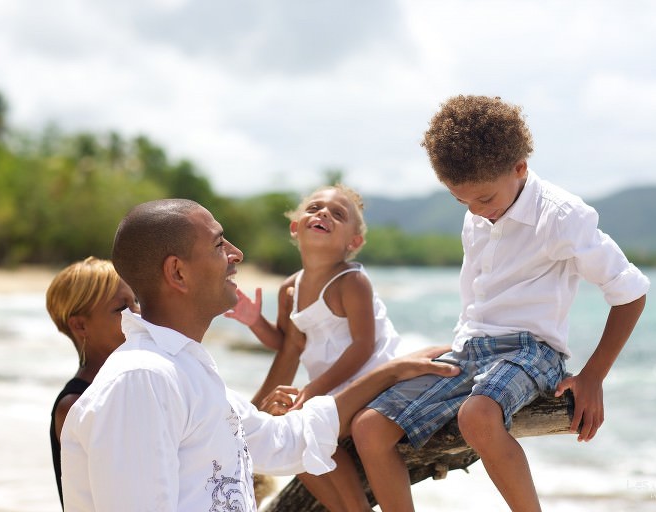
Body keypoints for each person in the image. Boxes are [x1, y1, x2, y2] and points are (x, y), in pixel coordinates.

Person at [59, 198, 458, 511]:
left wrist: (390, 372)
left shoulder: (186, 370)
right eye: (218, 244)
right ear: (177, 273)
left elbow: (285, 439)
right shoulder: (142, 379)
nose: (236, 254)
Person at [351, 95, 650, 511]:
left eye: (485, 199)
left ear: (520, 169)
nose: (476, 210)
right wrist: (460, 345)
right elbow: (478, 292)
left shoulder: (562, 215)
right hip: (471, 350)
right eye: (462, 202)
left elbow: (630, 293)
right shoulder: (478, 211)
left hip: (533, 350)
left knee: (476, 417)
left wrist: (593, 376)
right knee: (368, 428)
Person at [226, 183, 401, 511]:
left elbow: (363, 347)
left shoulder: (351, 282)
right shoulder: (290, 288)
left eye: (338, 214)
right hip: (332, 386)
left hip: (373, 378)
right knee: (290, 430)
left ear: (354, 242)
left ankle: (355, 507)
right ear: (295, 227)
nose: (323, 213)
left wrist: (314, 390)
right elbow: (287, 342)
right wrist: (254, 321)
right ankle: (345, 508)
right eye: (314, 208)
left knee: (311, 421)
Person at [45, 256, 138, 507]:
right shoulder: (76, 405)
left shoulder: (134, 386)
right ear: (80, 325)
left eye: (137, 302)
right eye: (122, 308)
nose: (138, 314)